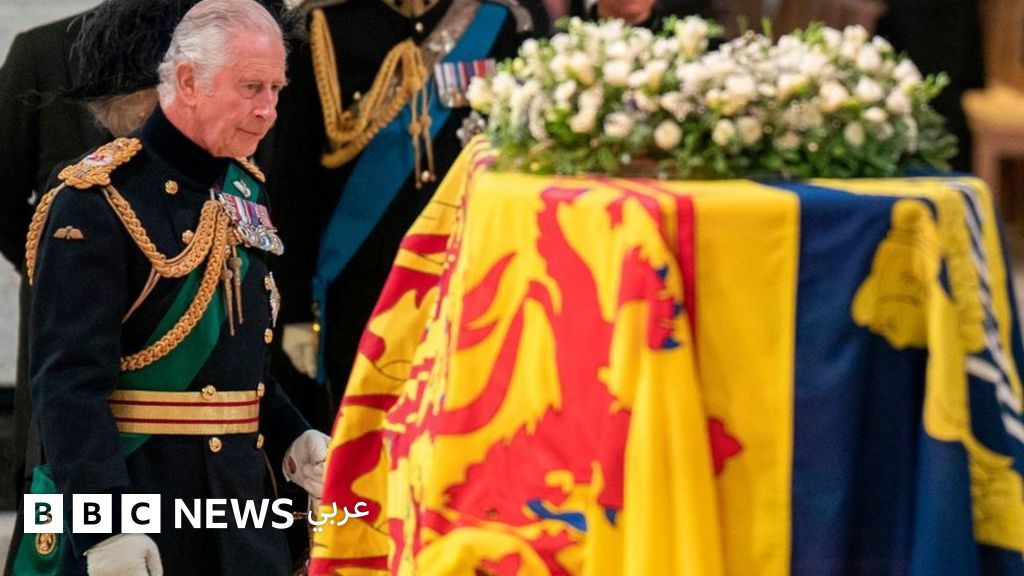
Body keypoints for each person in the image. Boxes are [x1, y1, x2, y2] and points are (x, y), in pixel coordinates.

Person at [26, 1, 329, 574]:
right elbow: (67, 385)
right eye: (250, 88)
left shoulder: (244, 190)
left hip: (240, 508)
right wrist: (106, 530)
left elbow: (239, 361)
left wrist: (292, 435)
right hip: (140, 505)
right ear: (188, 81)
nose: (268, 111)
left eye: (276, 89)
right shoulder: (97, 200)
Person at [263, 0, 540, 412]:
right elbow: (294, 185)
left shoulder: (498, 23)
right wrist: (298, 309)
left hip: (466, 271)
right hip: (358, 285)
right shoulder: (324, 28)